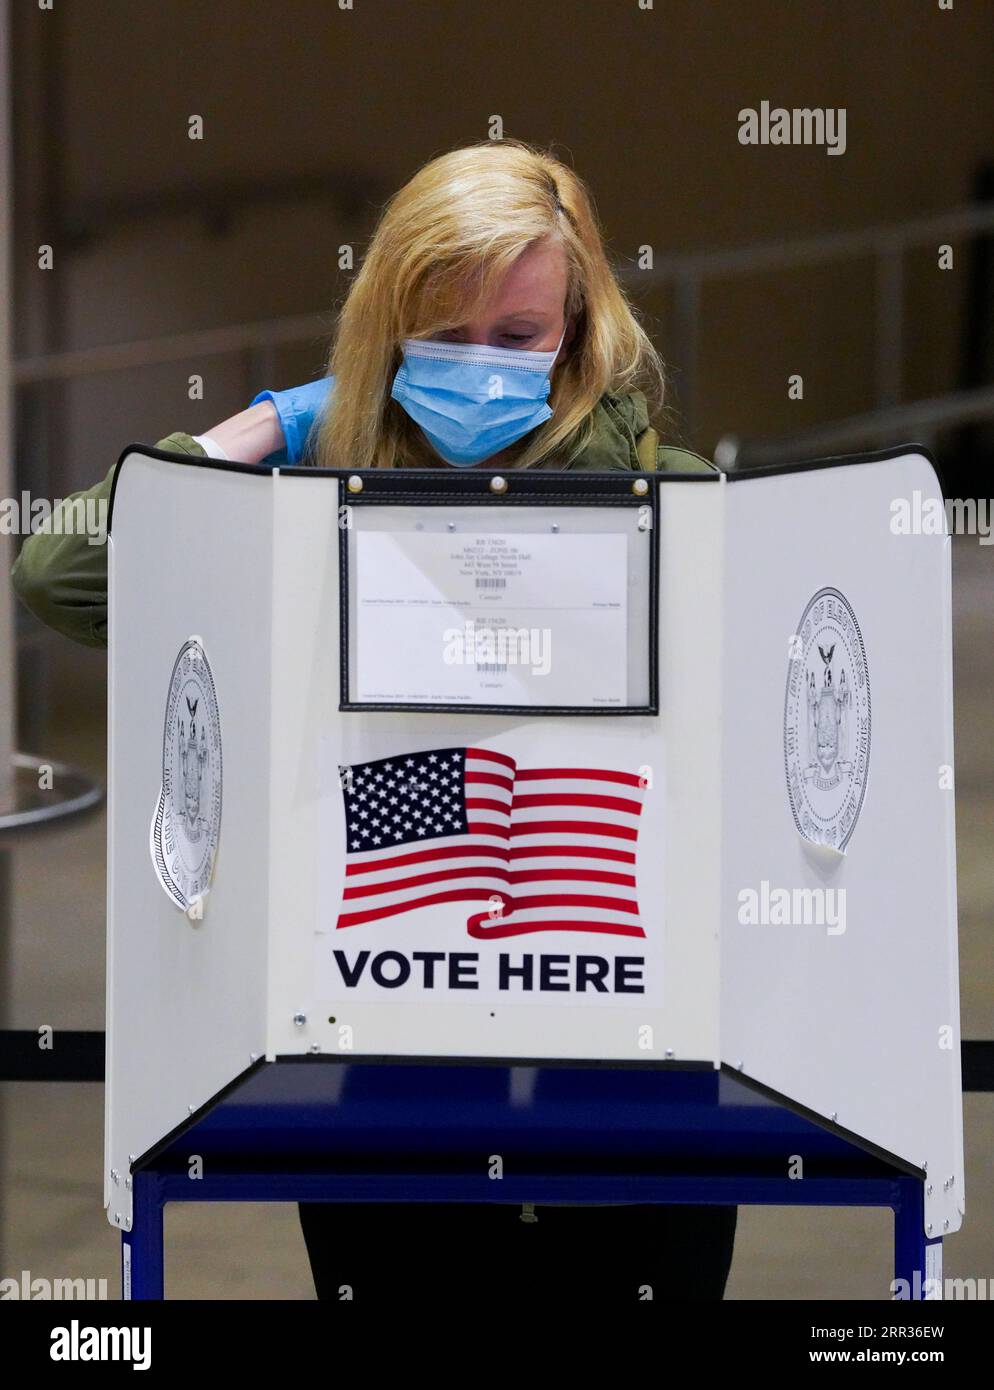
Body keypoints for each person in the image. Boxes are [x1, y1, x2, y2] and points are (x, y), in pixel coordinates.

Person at [10, 138, 736, 1302]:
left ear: (578, 335)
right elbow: (63, 572)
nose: (479, 365)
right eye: (443, 333)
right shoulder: (307, 495)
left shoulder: (670, 496)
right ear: (384, 325)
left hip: (618, 1021)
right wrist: (270, 429)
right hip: (384, 1003)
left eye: (517, 338)